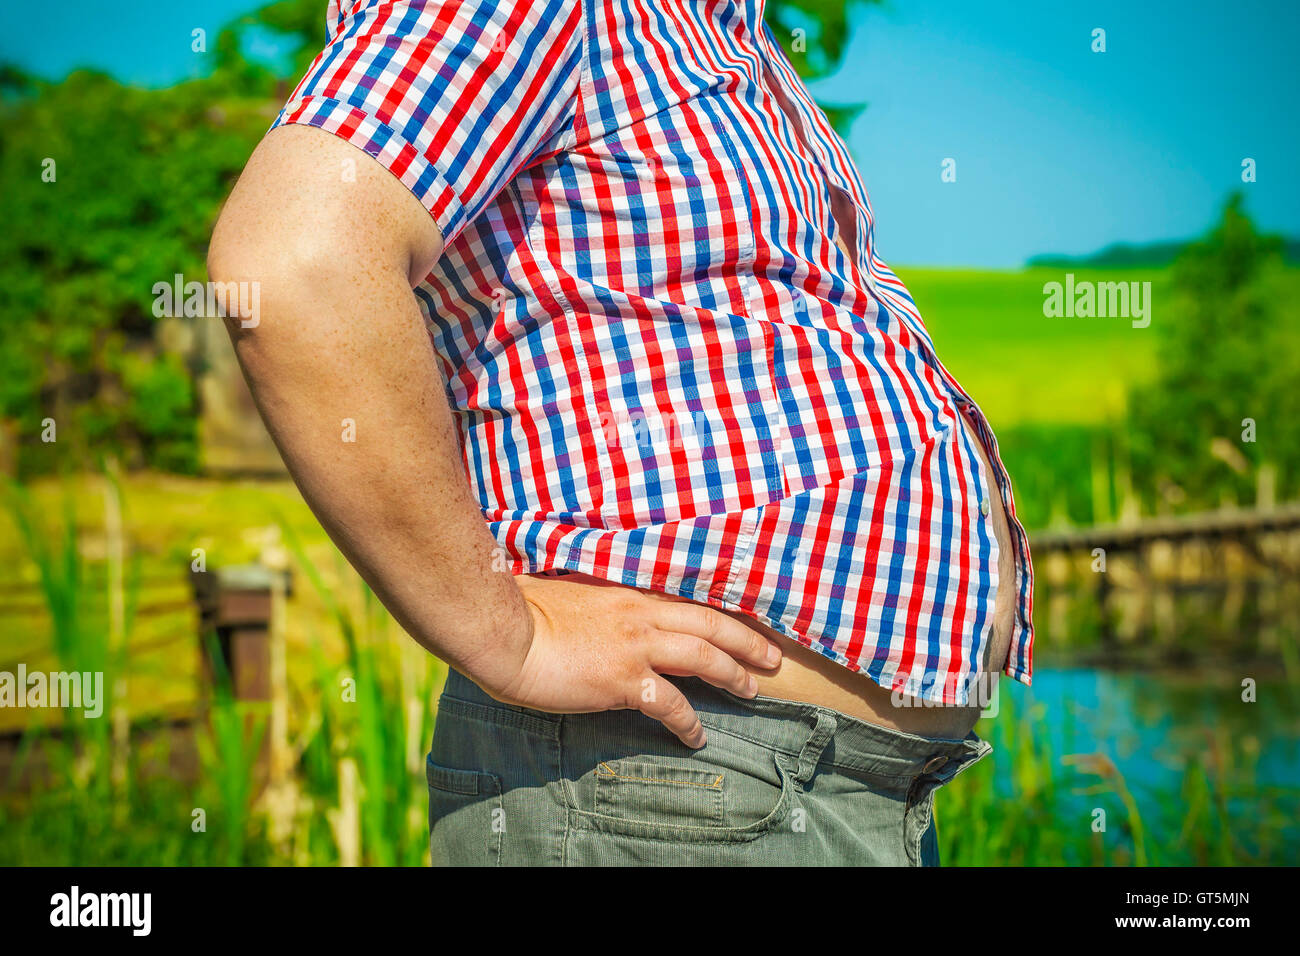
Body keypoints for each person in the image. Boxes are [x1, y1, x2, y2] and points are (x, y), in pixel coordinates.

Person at [208, 0, 1034, 865]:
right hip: (677, 773)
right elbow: (295, 260)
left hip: (782, 781)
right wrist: (512, 639)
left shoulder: (703, 32)